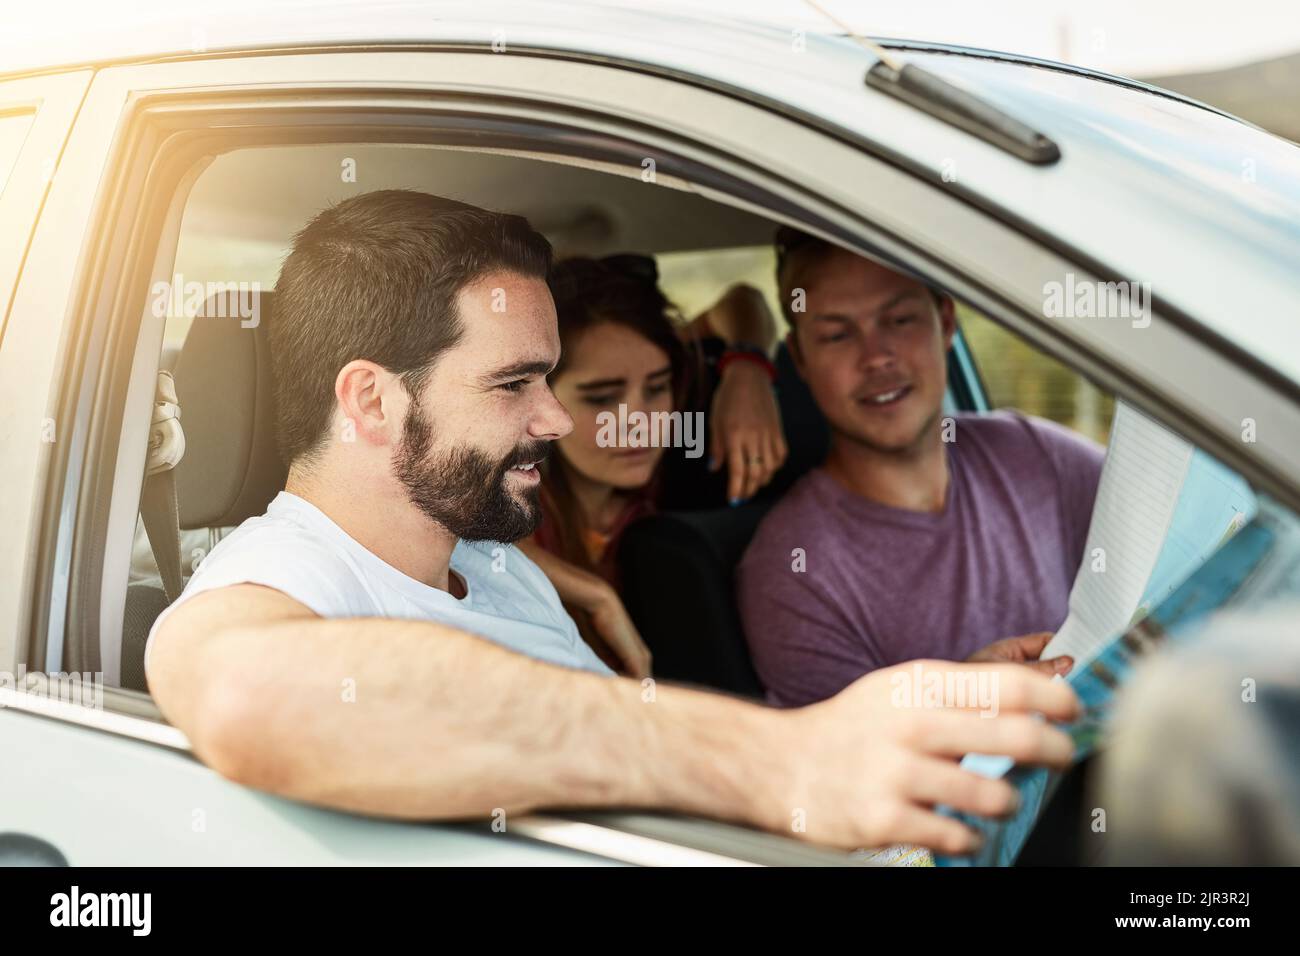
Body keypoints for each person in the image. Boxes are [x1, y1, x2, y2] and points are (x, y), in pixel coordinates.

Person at [146, 190, 1080, 855]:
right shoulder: (282, 576)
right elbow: (242, 692)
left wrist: (925, 706)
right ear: (374, 402)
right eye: (515, 383)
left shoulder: (490, 556)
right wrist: (780, 762)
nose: (555, 420)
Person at [738, 228, 1104, 708]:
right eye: (836, 334)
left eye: (900, 319)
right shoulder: (792, 572)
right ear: (800, 359)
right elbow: (838, 771)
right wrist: (956, 706)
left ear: (946, 322)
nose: (876, 357)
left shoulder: (1033, 454)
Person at [520, 256, 785, 675]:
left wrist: (748, 370)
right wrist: (592, 594)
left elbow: (743, 301)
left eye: (658, 387)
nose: (640, 424)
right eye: (602, 399)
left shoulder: (675, 481)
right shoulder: (505, 512)